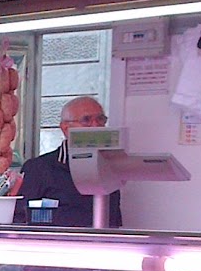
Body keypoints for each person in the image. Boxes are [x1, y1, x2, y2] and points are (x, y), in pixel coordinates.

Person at [16, 96, 122, 229]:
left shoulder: (110, 169)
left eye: (100, 119)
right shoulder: (39, 168)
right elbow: (21, 218)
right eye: (86, 120)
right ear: (65, 128)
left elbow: (114, 221)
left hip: (101, 246)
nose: (95, 126)